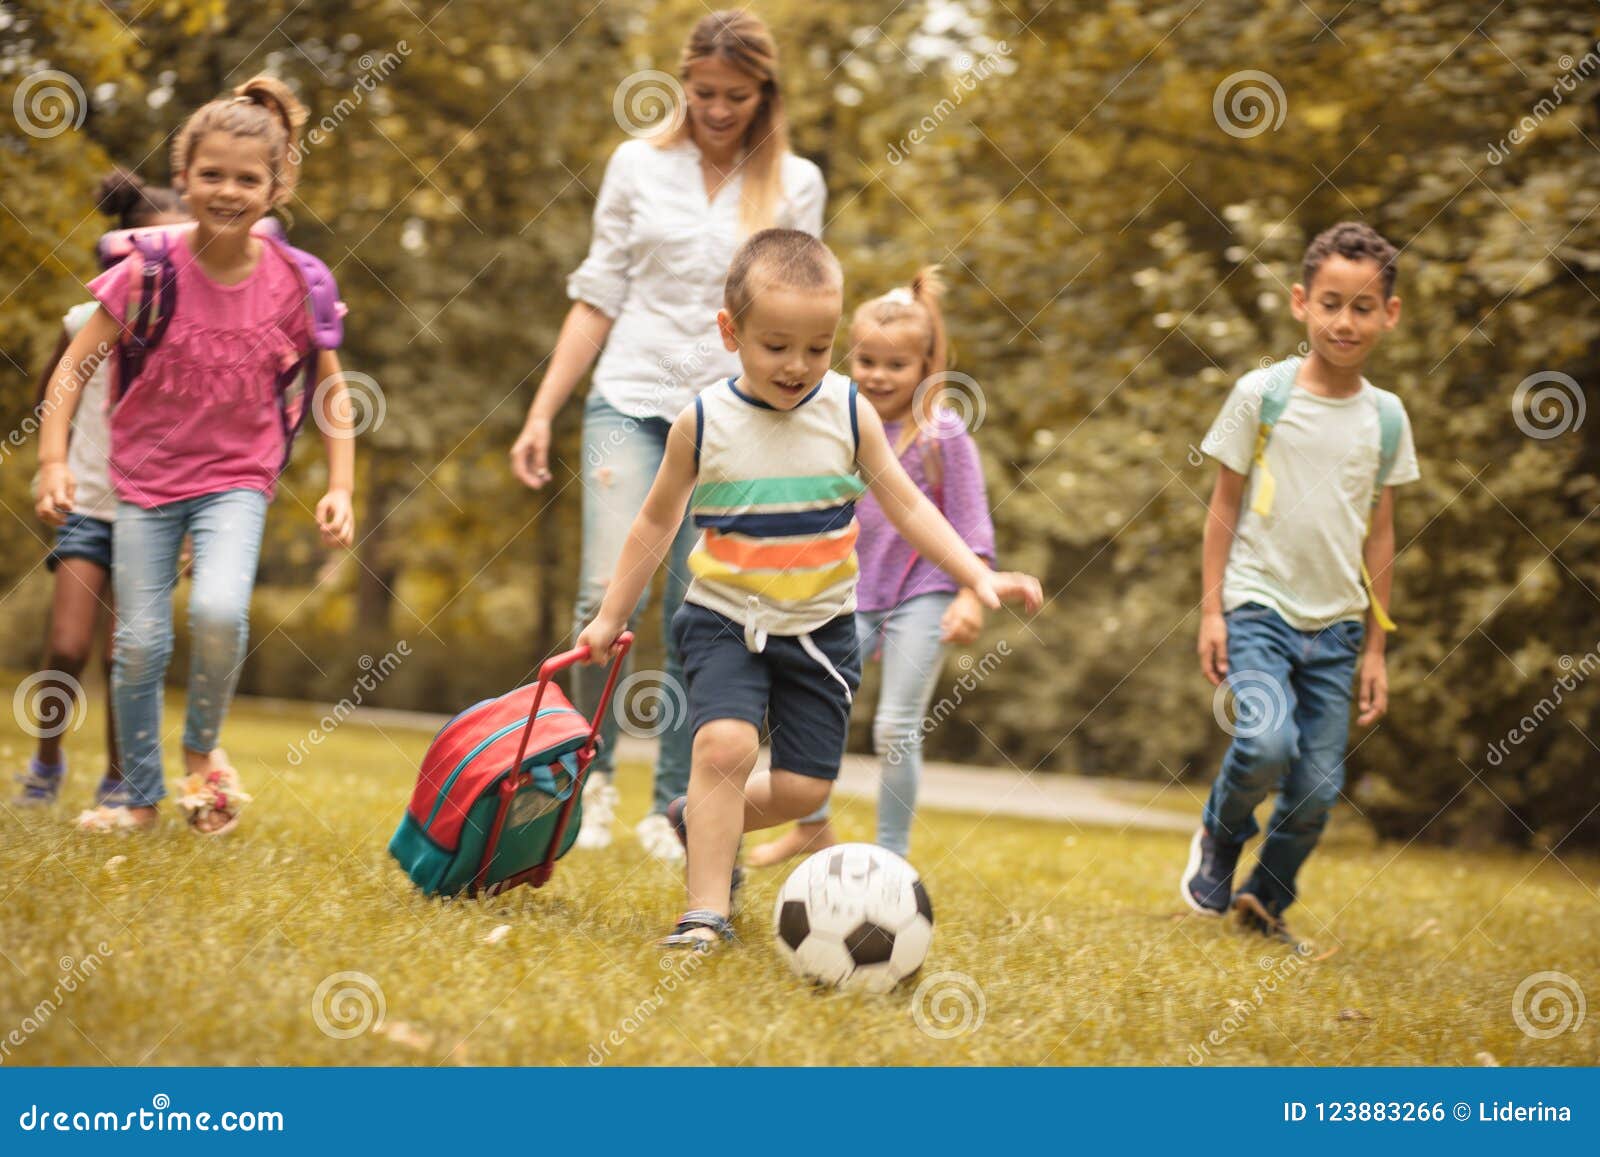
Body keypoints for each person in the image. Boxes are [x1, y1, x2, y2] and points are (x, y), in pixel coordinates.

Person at [577, 229, 1043, 950]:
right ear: (730, 333)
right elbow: (654, 522)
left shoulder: (849, 412)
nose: (798, 366)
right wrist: (611, 614)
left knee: (801, 791)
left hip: (822, 630)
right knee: (724, 748)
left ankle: (693, 816)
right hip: (725, 617)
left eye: (818, 348)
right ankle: (705, 913)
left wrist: (977, 574)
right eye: (776, 346)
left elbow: (912, 506)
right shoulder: (701, 423)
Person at [510, 10, 826, 860]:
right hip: (629, 396)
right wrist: (543, 409)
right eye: (702, 92)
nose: (717, 109)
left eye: (736, 95)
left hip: (732, 423)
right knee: (602, 595)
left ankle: (675, 806)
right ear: (682, 82)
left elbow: (797, 322)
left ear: (766, 93)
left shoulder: (796, 183)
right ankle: (587, 779)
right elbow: (598, 292)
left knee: (705, 610)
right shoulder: (636, 165)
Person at [34, 76, 357, 834]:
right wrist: (54, 461)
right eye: (211, 174)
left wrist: (341, 485)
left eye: (248, 178)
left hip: (237, 479)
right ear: (183, 177)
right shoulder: (146, 270)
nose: (227, 190)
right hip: (143, 480)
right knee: (140, 640)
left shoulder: (295, 283)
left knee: (217, 609)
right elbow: (73, 367)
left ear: (277, 186)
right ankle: (138, 798)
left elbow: (332, 391)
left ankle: (202, 750)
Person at [1181, 221, 1419, 940]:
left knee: (1317, 788)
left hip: (1340, 626)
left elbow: (1381, 537)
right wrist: (1212, 611)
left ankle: (1264, 900)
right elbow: (1221, 508)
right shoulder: (1263, 395)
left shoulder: (1386, 417)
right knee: (1265, 743)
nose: (1345, 321)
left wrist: (1376, 647)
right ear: (1300, 304)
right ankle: (1222, 833)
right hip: (1258, 606)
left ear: (1390, 314)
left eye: (1363, 306)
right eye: (1330, 303)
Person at [747, 267, 995, 866]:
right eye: (867, 362)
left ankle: (892, 857)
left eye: (896, 365)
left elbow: (970, 522)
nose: (879, 377)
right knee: (802, 698)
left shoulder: (941, 433)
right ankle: (811, 825)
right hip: (847, 592)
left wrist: (968, 594)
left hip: (923, 590)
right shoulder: (836, 421)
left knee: (895, 728)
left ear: (926, 366)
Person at [15, 170, 186, 808]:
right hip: (88, 504)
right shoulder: (84, 320)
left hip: (158, 511)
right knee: (67, 644)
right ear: (126, 249)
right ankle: (46, 762)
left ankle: (119, 777)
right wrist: (51, 466)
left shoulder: (191, 335)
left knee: (129, 654)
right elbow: (49, 399)